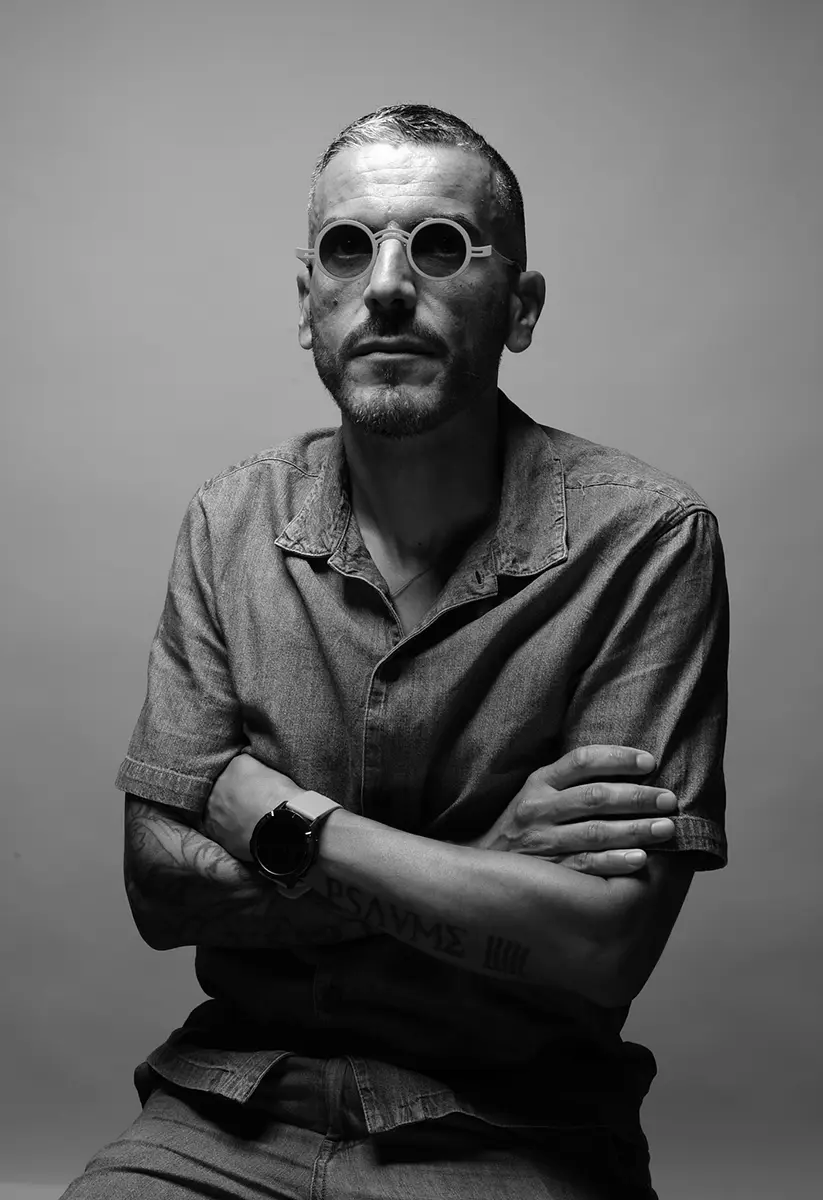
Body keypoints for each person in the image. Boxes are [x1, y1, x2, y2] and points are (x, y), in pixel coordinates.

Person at [62, 104, 729, 1199]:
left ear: (521, 309)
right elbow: (159, 891)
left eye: (438, 246)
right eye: (346, 248)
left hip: (510, 1125)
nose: (383, 287)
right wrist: (491, 861)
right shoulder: (232, 523)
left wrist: (285, 824)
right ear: (306, 306)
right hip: (227, 1108)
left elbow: (604, 945)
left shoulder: (646, 540)